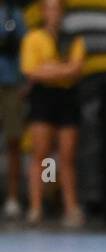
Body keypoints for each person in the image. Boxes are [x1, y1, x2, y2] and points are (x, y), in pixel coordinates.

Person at [19, 0, 83, 226]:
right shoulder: (32, 38)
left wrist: (48, 68)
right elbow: (31, 71)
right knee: (41, 155)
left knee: (66, 157)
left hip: (66, 99)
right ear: (43, 12)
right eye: (50, 8)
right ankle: (36, 208)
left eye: (58, 9)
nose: (54, 13)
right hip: (43, 100)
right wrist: (60, 70)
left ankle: (71, 208)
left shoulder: (73, 40)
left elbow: (76, 70)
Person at [0, 0, 24, 220]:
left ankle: (13, 198)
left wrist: (23, 83)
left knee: (13, 142)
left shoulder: (13, 14)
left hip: (10, 84)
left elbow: (22, 49)